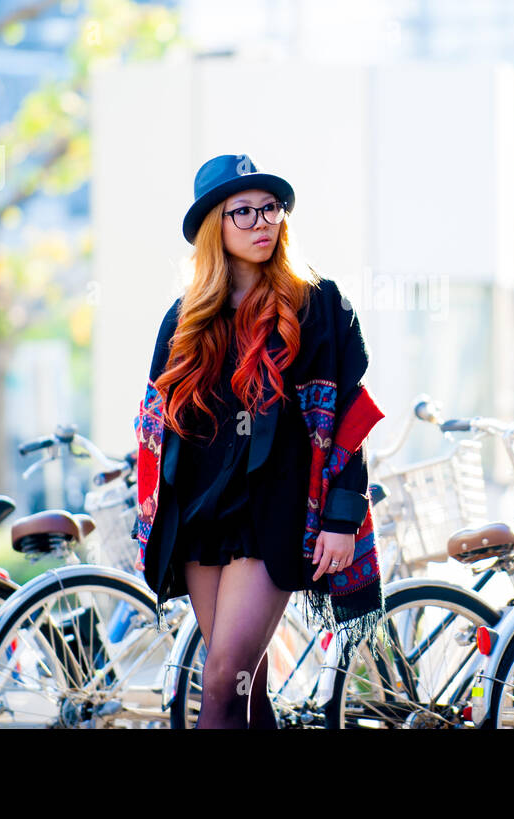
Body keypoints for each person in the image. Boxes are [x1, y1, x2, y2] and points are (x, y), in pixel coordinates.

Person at [131, 153, 386, 729]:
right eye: (242, 212)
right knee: (248, 685)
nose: (261, 222)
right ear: (212, 230)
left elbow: (347, 416)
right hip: (201, 519)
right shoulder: (184, 320)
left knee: (221, 678)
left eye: (270, 209)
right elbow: (156, 425)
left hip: (273, 513)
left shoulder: (317, 304)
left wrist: (342, 519)